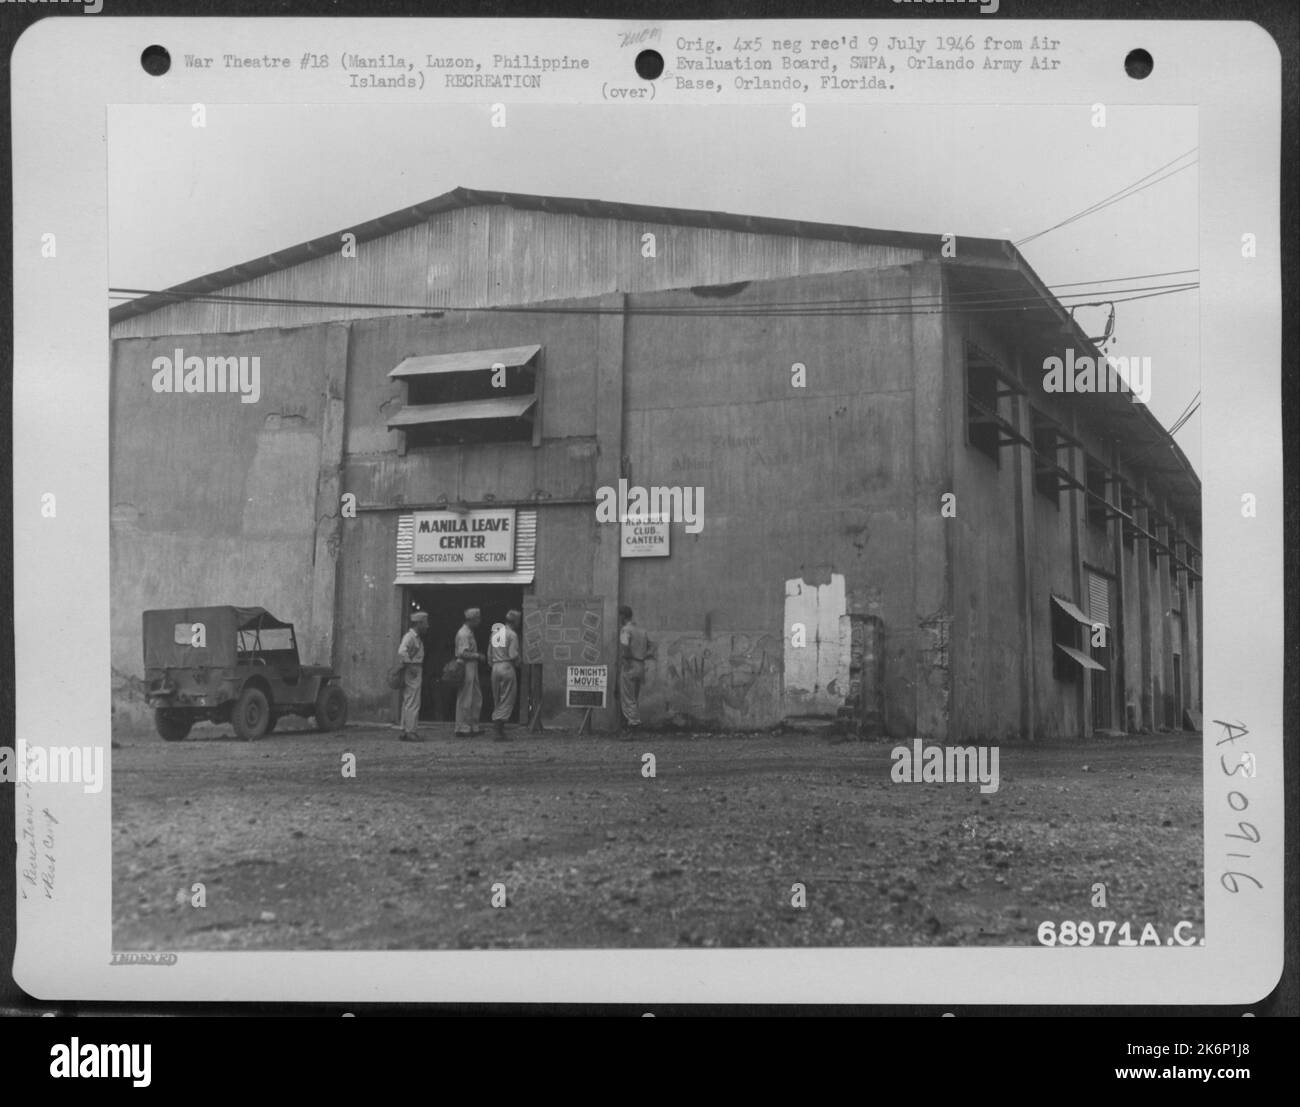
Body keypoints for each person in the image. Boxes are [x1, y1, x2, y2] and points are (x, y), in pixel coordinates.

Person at [618, 605, 655, 734]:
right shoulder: (641, 630)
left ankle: (632, 725)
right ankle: (632, 724)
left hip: (630, 664)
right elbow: (652, 646)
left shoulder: (625, 630)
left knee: (628, 697)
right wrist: (644, 655)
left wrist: (626, 658)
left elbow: (624, 645)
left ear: (622, 616)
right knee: (634, 697)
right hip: (640, 665)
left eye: (619, 616)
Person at [488, 610, 522, 741]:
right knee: (507, 698)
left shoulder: (496, 632)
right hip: (507, 666)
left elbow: (489, 654)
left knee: (497, 698)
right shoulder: (512, 634)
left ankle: (498, 730)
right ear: (516, 621)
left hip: (495, 667)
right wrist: (520, 663)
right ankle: (498, 731)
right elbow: (513, 654)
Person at [397, 610, 428, 742]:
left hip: (413, 668)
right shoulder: (410, 637)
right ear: (419, 623)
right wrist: (410, 664)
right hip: (413, 669)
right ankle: (411, 732)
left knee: (409, 700)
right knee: (413, 701)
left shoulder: (414, 637)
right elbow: (401, 652)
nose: (427, 626)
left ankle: (405, 730)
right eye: (425, 623)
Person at [454, 608, 485, 737]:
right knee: (466, 698)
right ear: (471, 620)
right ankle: (462, 727)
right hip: (466, 666)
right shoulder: (464, 634)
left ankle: (473, 725)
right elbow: (462, 653)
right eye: (477, 619)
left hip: (472, 666)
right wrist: (478, 656)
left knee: (475, 697)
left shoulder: (469, 632)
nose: (479, 621)